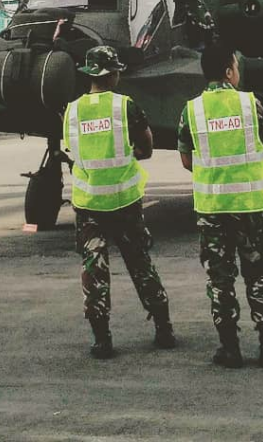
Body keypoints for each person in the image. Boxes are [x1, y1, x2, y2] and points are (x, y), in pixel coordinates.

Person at [178, 41, 263, 368]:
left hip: (212, 210)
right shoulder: (251, 105)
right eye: (236, 67)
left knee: (220, 280)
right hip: (250, 207)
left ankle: (229, 348)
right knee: (259, 276)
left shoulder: (191, 110)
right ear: (228, 71)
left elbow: (186, 160)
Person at [63, 45, 175, 358]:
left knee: (94, 268)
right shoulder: (126, 107)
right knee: (141, 265)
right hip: (125, 203)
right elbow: (147, 147)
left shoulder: (71, 111)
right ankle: (163, 327)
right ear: (111, 74)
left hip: (88, 207)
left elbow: (73, 153)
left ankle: (102, 338)